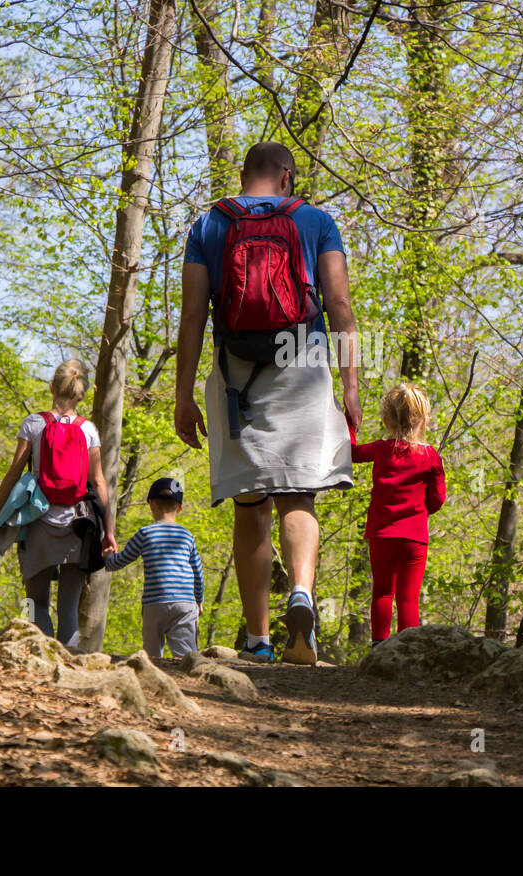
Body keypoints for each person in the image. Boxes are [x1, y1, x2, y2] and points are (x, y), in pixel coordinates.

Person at [174, 141, 361, 664]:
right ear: (287, 176)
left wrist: (183, 394)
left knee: (250, 506)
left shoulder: (210, 224)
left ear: (243, 174)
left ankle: (258, 640)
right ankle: (301, 592)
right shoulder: (316, 220)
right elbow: (339, 304)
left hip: (238, 374)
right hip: (303, 363)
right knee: (299, 496)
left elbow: (193, 314)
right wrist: (350, 385)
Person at [0, 360, 116, 646]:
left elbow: (13, 475)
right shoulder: (89, 430)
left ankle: (44, 668)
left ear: (52, 387)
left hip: (36, 523)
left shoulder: (34, 424)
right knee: (68, 609)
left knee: (37, 604)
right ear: (82, 394)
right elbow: (99, 483)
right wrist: (109, 532)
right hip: (78, 527)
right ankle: (67, 674)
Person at [348, 384, 445, 644]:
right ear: (424, 420)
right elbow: (438, 499)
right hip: (414, 538)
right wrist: (422, 511)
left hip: (381, 534)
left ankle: (379, 645)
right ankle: (406, 648)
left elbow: (352, 453)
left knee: (382, 592)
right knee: (408, 597)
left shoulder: (380, 449)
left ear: (386, 419)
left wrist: (349, 424)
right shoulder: (430, 456)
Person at [105, 477, 204, 657]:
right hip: (184, 602)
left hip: (154, 603)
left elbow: (120, 561)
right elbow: (197, 571)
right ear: (180, 507)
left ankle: (151, 680)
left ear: (151, 504)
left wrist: (108, 557)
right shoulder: (186, 535)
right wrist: (199, 599)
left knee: (151, 656)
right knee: (186, 656)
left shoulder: (145, 533)